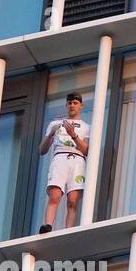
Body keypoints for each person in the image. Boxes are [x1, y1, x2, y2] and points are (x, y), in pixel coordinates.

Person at [38, 92, 91, 233]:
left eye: (75, 103)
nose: (72, 105)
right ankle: (48, 225)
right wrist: (50, 135)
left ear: (81, 106)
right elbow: (42, 150)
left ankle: (69, 230)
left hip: (78, 160)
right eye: (70, 103)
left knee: (73, 200)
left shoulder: (86, 127)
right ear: (66, 105)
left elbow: (86, 150)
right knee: (55, 195)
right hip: (60, 157)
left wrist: (73, 135)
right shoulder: (55, 124)